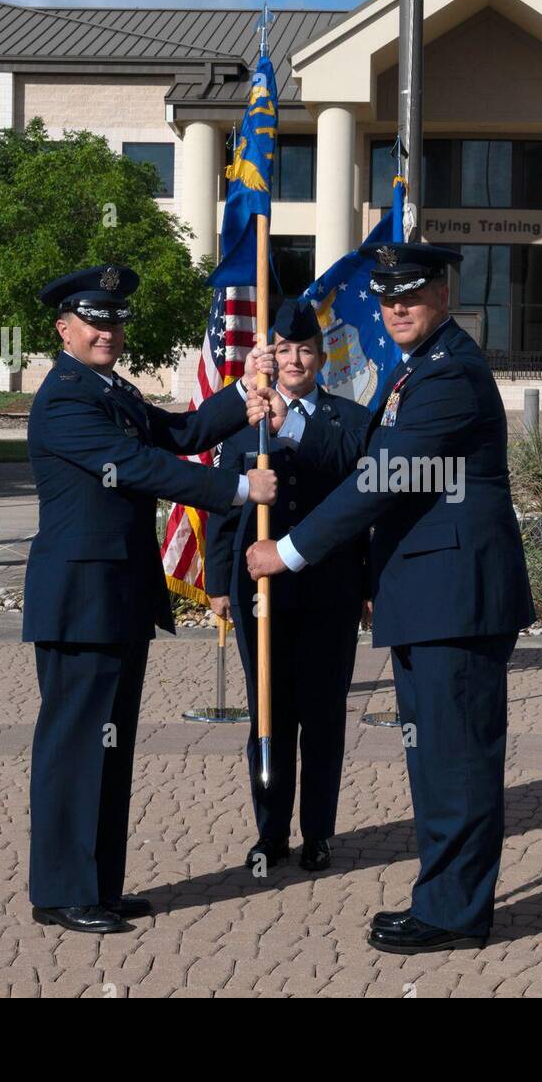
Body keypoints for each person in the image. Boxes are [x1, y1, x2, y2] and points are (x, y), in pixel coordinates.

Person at [245, 242, 534, 954]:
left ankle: (456, 914)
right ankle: (443, 899)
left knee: (456, 761)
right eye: (386, 297)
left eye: (411, 293)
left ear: (442, 293)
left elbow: (383, 480)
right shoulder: (417, 369)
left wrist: (284, 552)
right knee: (435, 759)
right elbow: (363, 465)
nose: (396, 307)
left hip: (455, 599)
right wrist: (281, 422)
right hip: (430, 595)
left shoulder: (449, 376)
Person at [23, 262, 280, 934]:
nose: (108, 330)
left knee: (108, 749)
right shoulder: (65, 399)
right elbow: (138, 465)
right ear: (64, 328)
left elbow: (177, 435)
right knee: (76, 749)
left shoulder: (112, 390)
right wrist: (235, 492)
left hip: (118, 596)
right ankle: (60, 892)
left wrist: (241, 392)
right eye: (93, 320)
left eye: (115, 320)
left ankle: (99, 886)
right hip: (80, 599)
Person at [204, 297, 372, 875]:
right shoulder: (245, 420)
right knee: (268, 712)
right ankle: (271, 832)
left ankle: (318, 833)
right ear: (268, 355)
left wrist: (370, 583)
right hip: (261, 595)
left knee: (323, 715)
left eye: (304, 349)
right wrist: (218, 579)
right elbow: (224, 502)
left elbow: (363, 497)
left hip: (330, 589)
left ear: (322, 357)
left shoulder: (349, 420)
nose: (293, 358)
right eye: (282, 349)